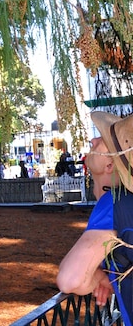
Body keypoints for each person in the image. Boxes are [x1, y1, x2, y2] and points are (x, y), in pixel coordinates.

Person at [56, 131, 129, 319]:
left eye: (102, 140)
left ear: (110, 165)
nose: (93, 140)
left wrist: (100, 277)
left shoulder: (115, 203)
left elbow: (70, 280)